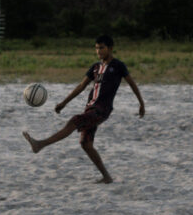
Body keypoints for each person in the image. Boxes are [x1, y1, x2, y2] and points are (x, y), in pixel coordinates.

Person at [23, 35, 145, 184]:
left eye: (102, 48)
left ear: (110, 48)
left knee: (74, 121)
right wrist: (64, 102)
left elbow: (132, 83)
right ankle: (107, 177)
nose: (98, 51)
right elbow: (81, 86)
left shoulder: (118, 66)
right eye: (96, 48)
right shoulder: (95, 67)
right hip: (90, 108)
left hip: (102, 110)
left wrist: (141, 103)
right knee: (85, 144)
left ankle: (40, 144)